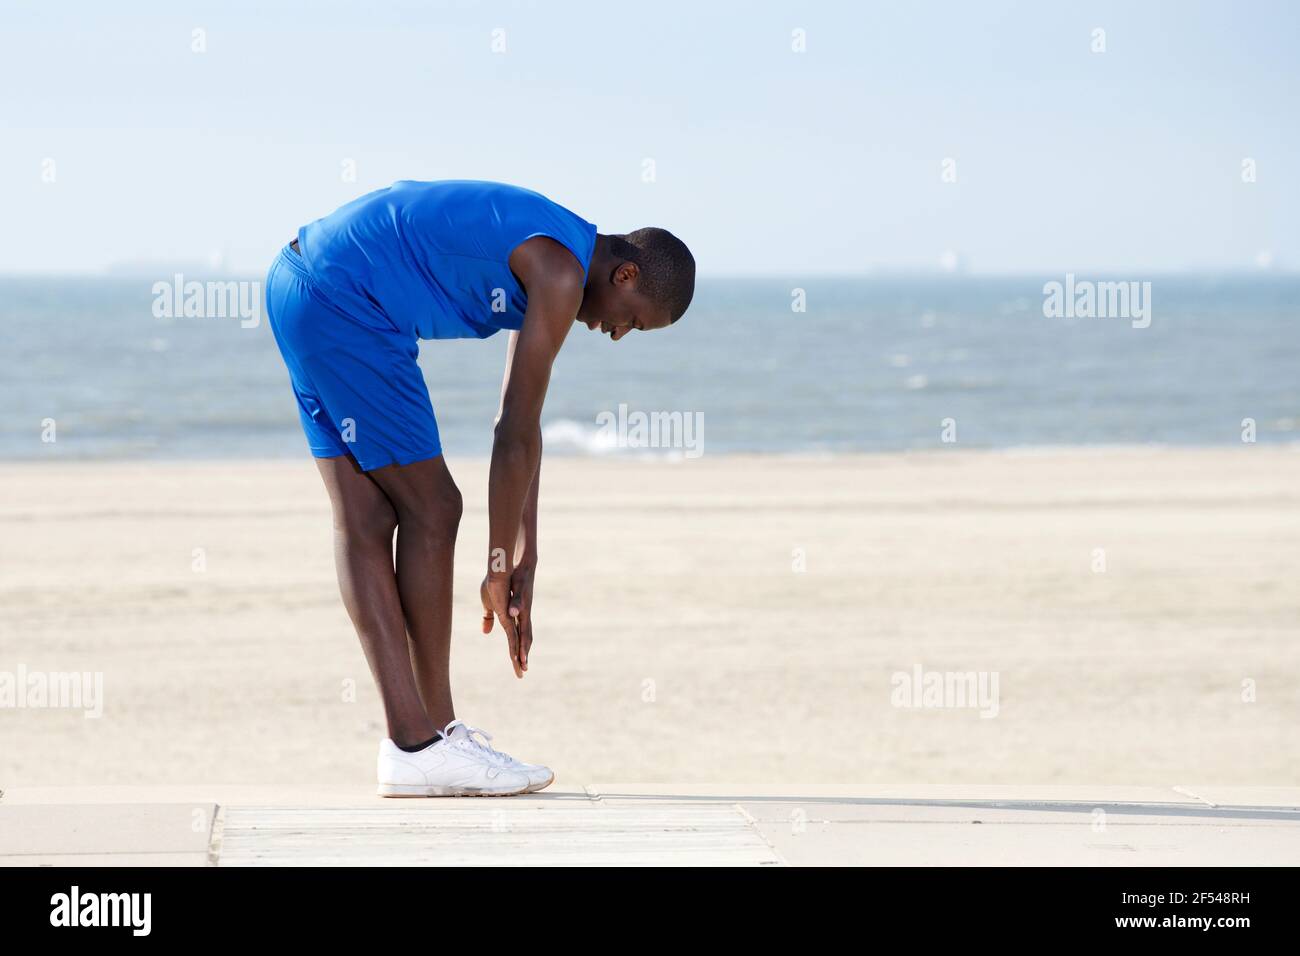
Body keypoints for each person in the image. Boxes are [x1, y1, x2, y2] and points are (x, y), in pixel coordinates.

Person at [264, 180, 695, 796]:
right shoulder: (559, 273)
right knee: (435, 506)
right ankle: (427, 738)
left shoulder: (560, 254)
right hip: (346, 302)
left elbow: (521, 422)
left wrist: (526, 552)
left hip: (297, 284)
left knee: (364, 517)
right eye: (634, 321)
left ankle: (417, 744)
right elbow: (512, 436)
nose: (619, 333)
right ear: (625, 275)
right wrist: (497, 565)